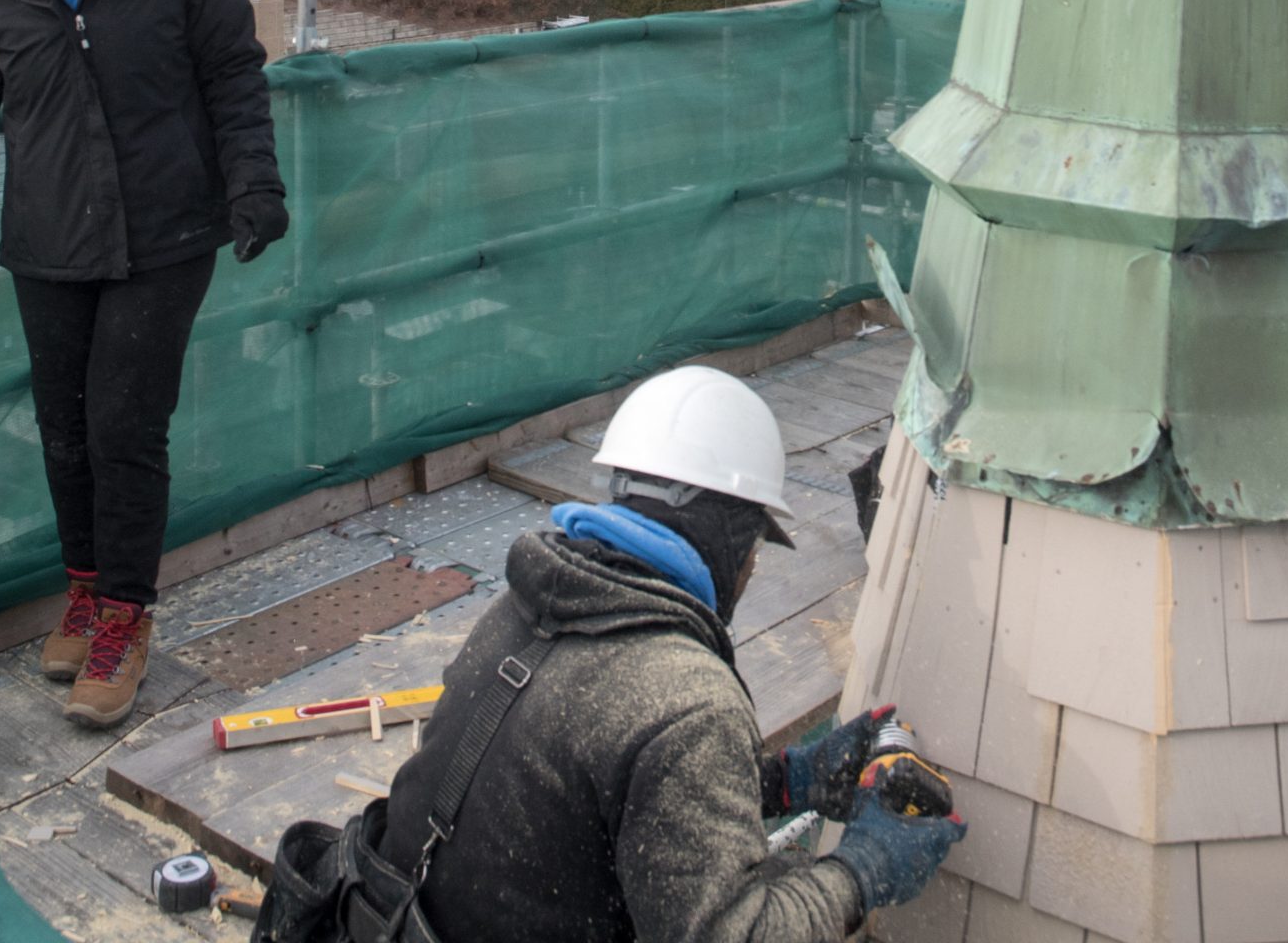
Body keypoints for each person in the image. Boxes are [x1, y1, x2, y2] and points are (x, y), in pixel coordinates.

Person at [367, 364, 965, 940]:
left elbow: (607, 781)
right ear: (726, 535)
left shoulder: (525, 610)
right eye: (753, 546)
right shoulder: (685, 699)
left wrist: (787, 781)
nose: (752, 569)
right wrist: (862, 871)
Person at [0, 0, 289, 727]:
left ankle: (125, 614)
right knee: (64, 425)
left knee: (125, 427)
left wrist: (253, 182)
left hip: (166, 232)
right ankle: (84, 585)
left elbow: (235, 75)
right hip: (48, 235)